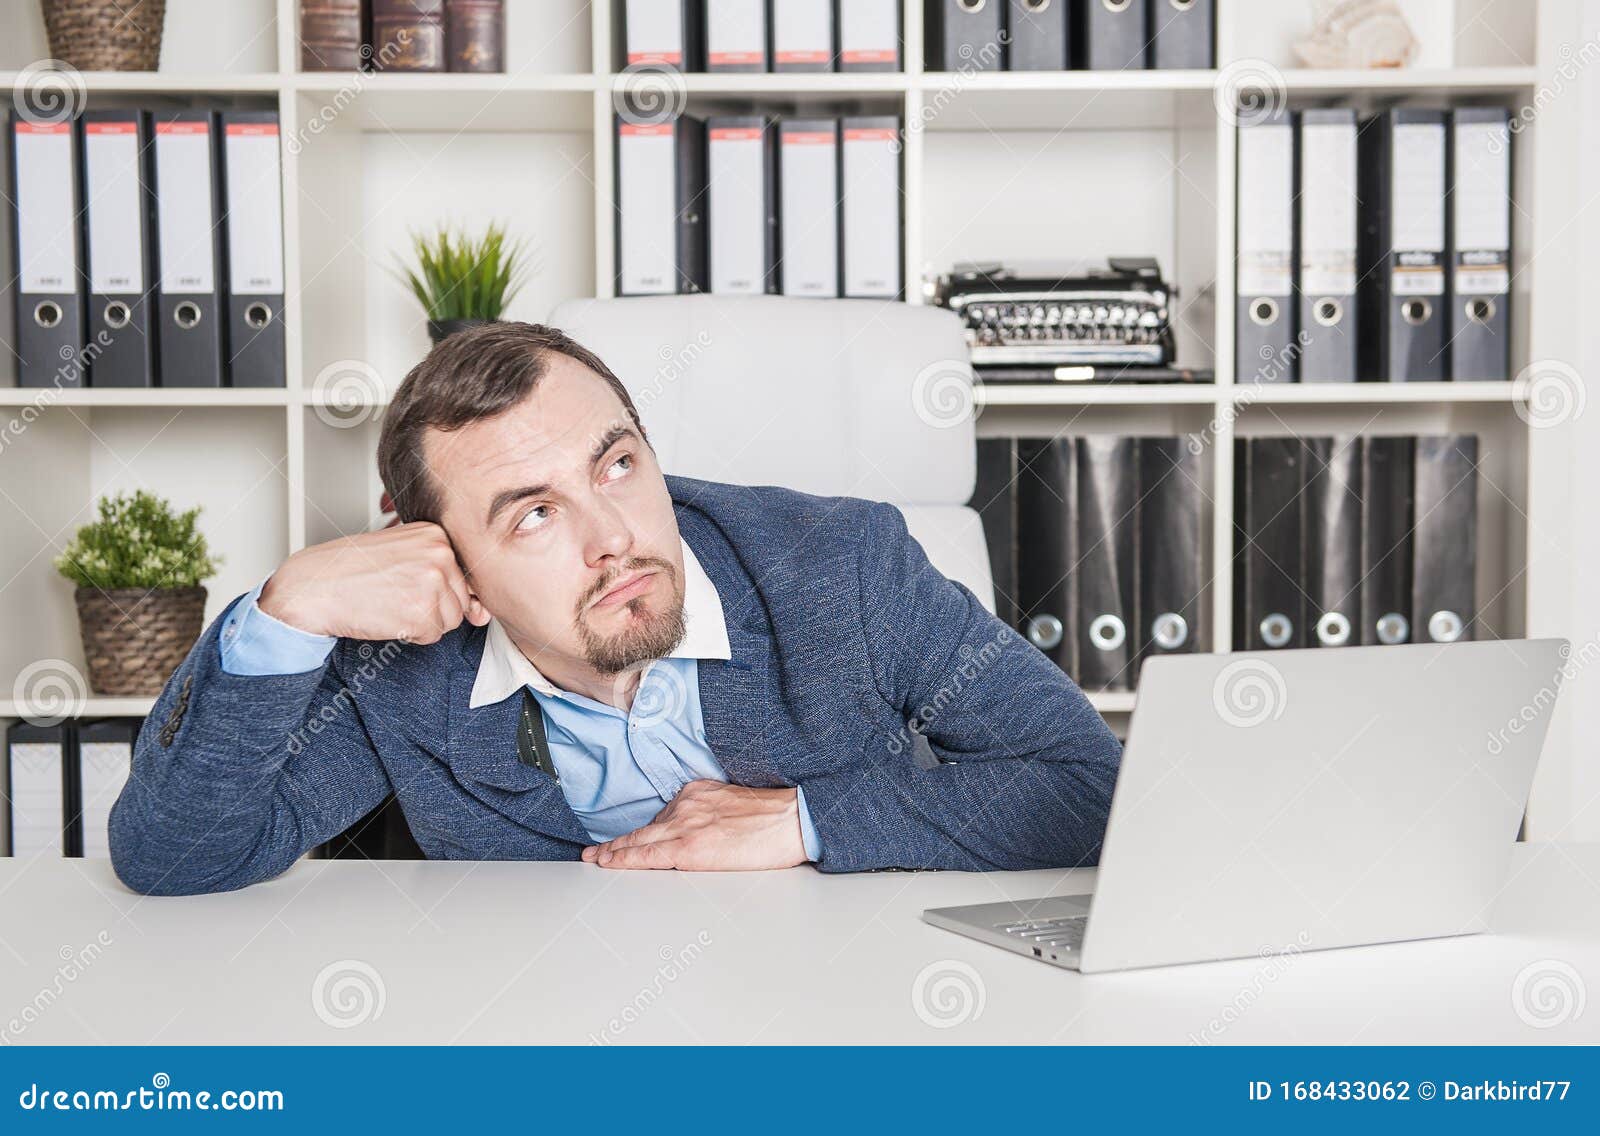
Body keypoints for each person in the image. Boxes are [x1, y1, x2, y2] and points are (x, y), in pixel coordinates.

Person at [109, 322, 1121, 895]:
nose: (616, 535)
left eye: (619, 464)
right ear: (446, 559)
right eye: (535, 512)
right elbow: (181, 855)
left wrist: (807, 821)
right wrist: (282, 614)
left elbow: (1087, 785)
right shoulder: (402, 668)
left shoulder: (841, 567)